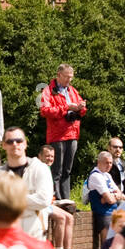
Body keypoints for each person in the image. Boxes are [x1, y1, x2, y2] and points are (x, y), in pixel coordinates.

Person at [39, 64, 86, 201]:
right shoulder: (48, 91)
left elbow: (82, 110)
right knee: (57, 170)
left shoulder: (72, 90)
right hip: (57, 135)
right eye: (66, 77)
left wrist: (81, 108)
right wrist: (66, 107)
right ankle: (56, 199)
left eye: (71, 77)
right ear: (58, 75)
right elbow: (45, 111)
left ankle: (66, 199)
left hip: (72, 133)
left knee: (67, 170)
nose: (68, 80)